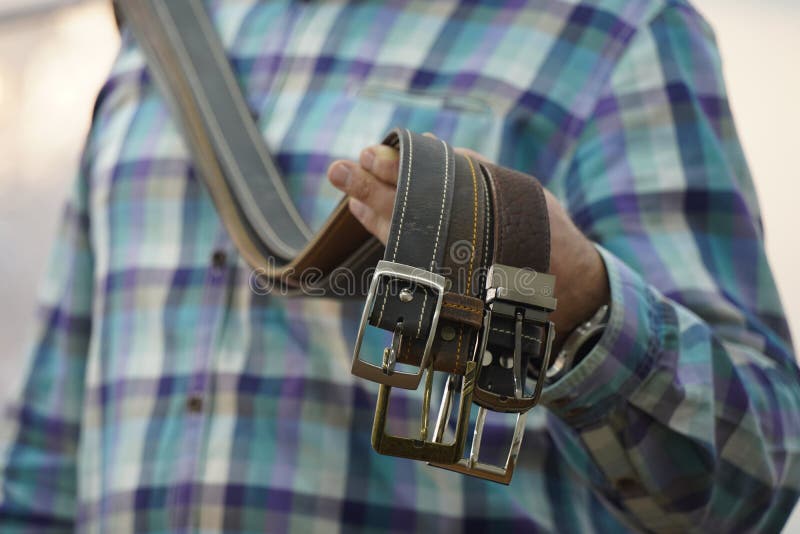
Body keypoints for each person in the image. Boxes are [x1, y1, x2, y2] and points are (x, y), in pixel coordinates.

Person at [2, 0, 798, 532]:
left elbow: (753, 478)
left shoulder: (618, 29)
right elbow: (44, 454)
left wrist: (583, 302)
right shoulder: (165, 28)